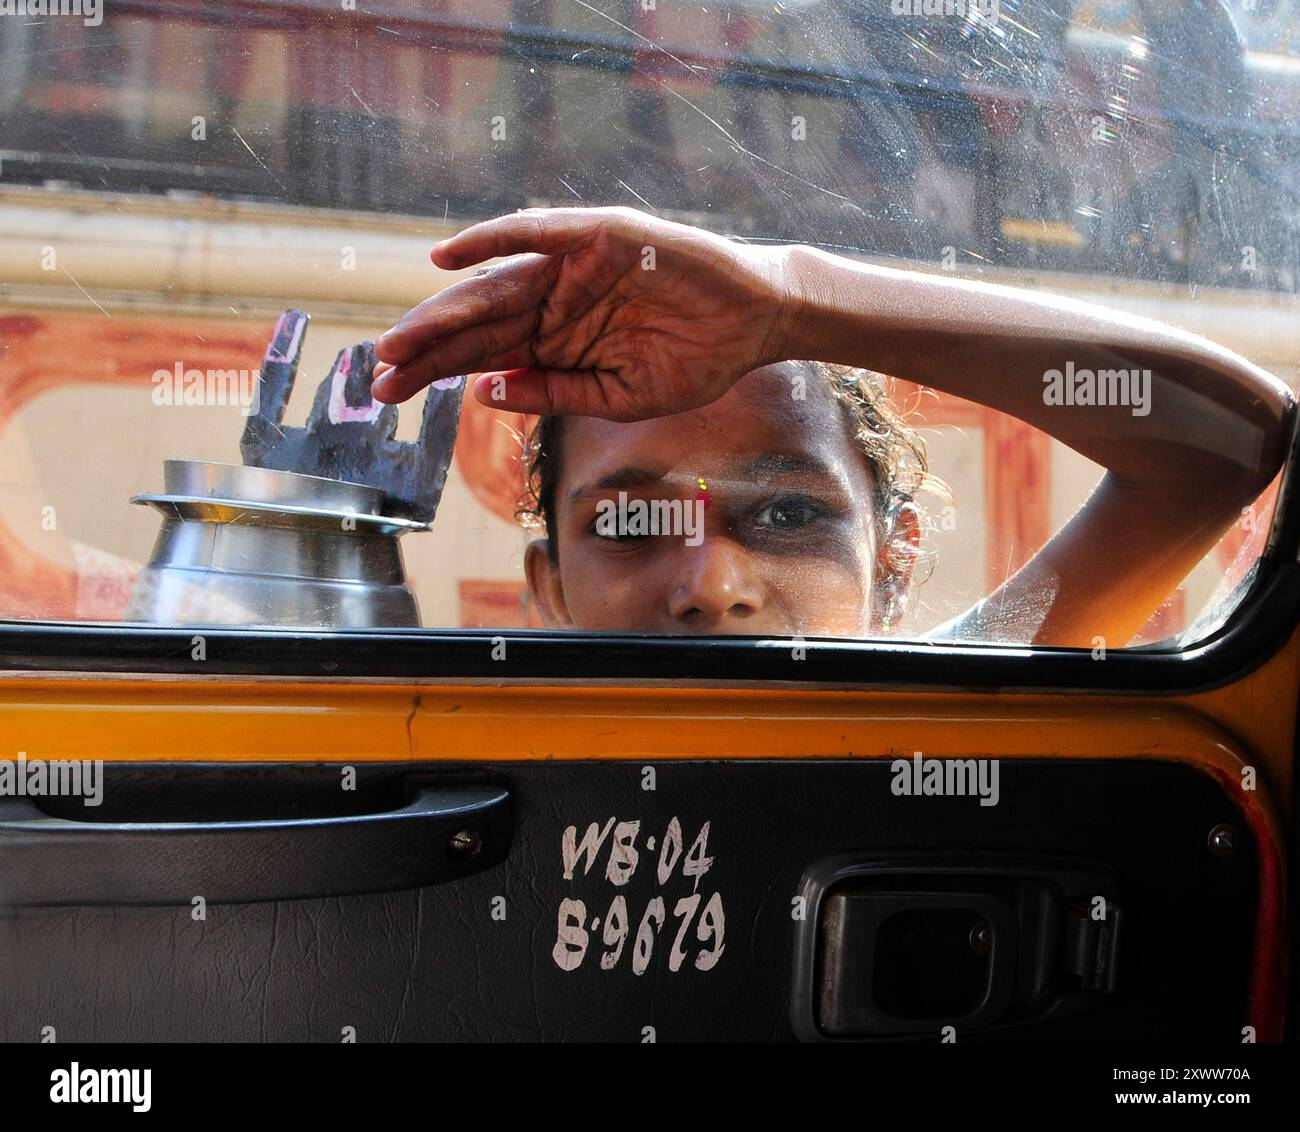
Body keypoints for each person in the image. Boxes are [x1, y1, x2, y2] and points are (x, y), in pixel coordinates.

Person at [370, 206, 1293, 646]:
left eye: (787, 515)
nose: (712, 585)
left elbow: (1227, 442)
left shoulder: (958, 701)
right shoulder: (486, 771)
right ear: (551, 586)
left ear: (894, 560)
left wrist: (795, 299)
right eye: (629, 523)